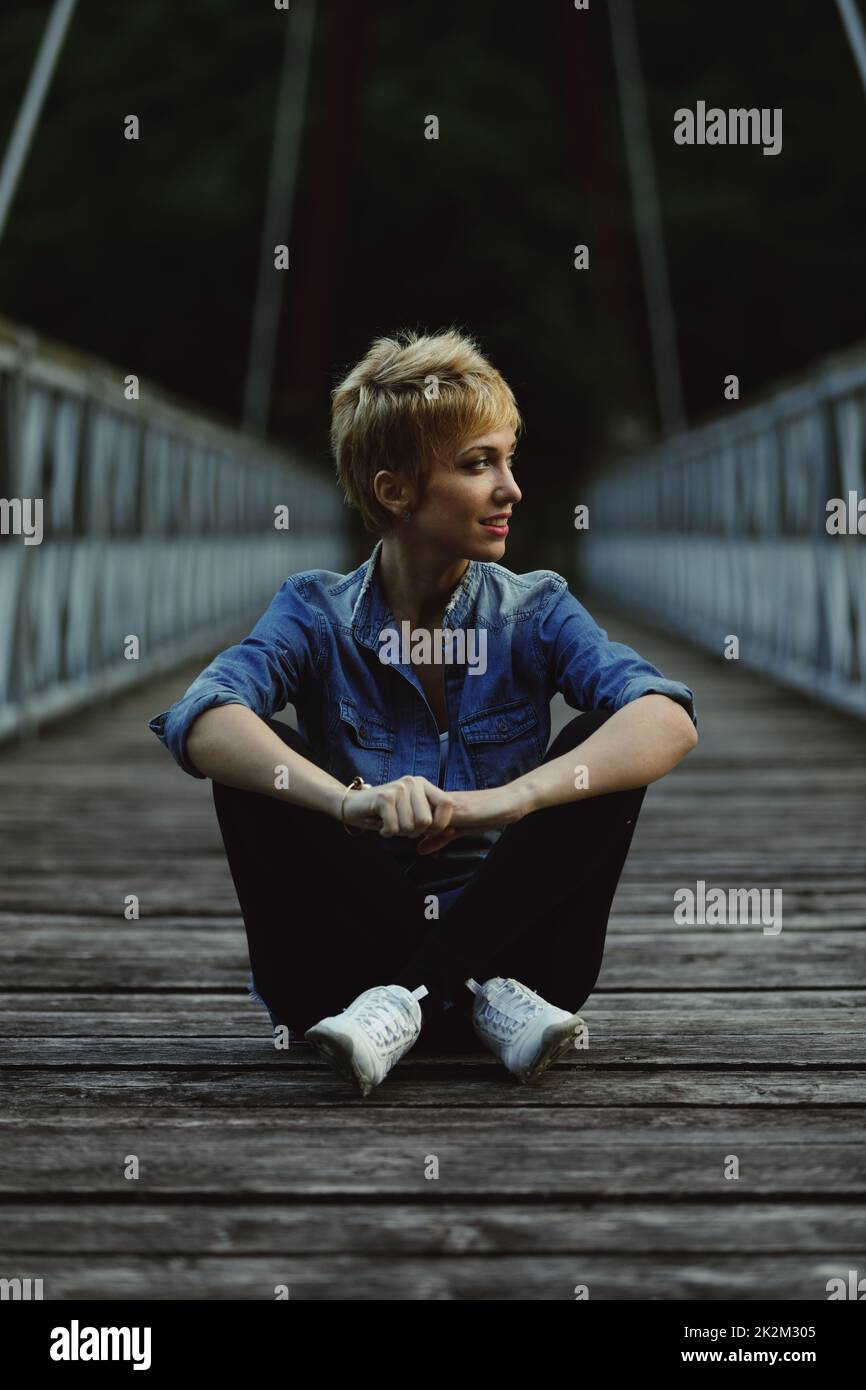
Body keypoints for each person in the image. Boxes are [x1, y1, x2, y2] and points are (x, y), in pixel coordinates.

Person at [147, 327, 698, 1097]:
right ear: (395, 490)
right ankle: (444, 988)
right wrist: (350, 802)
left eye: (509, 458)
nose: (511, 489)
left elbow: (667, 717)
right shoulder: (314, 610)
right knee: (252, 753)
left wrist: (506, 801)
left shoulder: (537, 608)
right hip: (339, 983)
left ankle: (425, 988)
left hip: (526, 970)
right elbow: (199, 716)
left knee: (597, 746)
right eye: (479, 465)